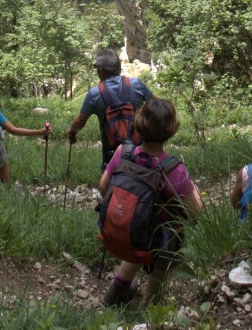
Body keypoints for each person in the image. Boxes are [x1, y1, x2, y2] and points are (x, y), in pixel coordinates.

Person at [100, 97, 203, 308]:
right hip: (155, 240)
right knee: (165, 246)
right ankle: (152, 306)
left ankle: (118, 290)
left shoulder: (123, 153)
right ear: (171, 129)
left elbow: (104, 188)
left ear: (139, 122)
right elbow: (196, 212)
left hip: (123, 229)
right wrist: (196, 191)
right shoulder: (174, 169)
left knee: (140, 226)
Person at [66, 48, 151, 168]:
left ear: (100, 70)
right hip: (141, 154)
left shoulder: (94, 94)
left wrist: (71, 131)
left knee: (110, 182)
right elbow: (159, 107)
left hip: (112, 158)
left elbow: (79, 122)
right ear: (119, 68)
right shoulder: (137, 84)